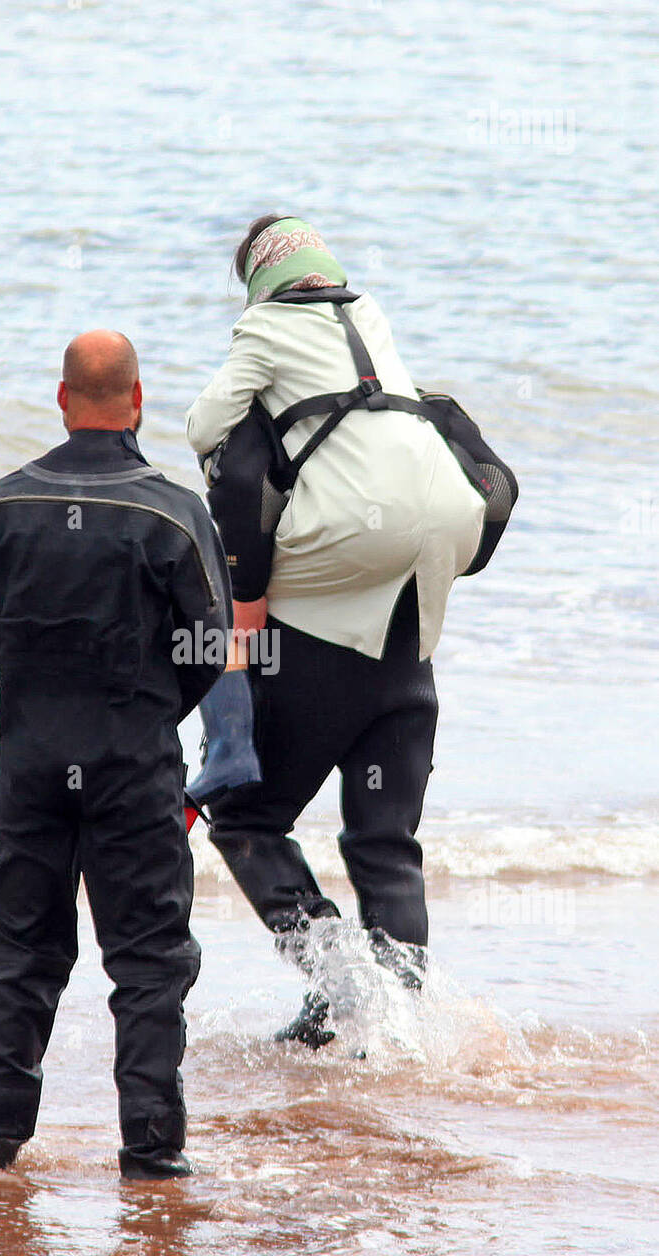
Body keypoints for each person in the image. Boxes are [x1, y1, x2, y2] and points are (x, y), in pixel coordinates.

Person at [186, 216, 486, 1048]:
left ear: (259, 276)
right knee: (387, 842)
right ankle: (395, 1030)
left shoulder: (266, 323)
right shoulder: (373, 318)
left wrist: (238, 623)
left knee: (244, 817)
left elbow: (208, 425)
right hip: (414, 612)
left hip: (324, 625)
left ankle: (342, 989)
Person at [0, 331, 231, 1175]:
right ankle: (151, 1150)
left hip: (29, 762)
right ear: (139, 401)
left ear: (62, 398)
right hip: (133, 766)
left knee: (21, 946)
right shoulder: (174, 513)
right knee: (148, 960)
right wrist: (145, 720)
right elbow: (210, 651)